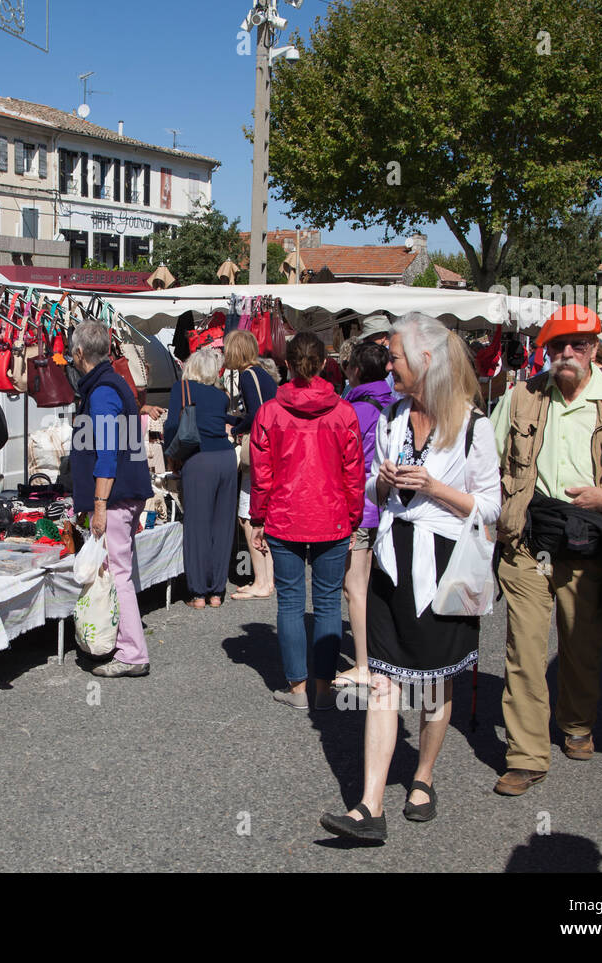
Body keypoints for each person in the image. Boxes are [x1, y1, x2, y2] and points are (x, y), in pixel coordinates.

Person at [319, 314, 499, 842]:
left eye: (394, 355)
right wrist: (383, 485)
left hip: (446, 566)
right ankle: (369, 806)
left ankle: (422, 777)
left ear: (425, 361)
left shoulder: (473, 425)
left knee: (436, 681)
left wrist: (436, 488)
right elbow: (377, 493)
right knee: (383, 681)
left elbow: (490, 507)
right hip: (394, 560)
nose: (388, 363)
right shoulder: (393, 415)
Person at [490, 305, 602, 797]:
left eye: (578, 345)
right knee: (524, 649)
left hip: (590, 541)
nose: (567, 354)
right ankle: (525, 756)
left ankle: (577, 722)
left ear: (594, 350)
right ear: (544, 351)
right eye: (558, 346)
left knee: (581, 644)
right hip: (529, 539)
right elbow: (487, 458)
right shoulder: (520, 398)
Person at [249, 333, 363, 712]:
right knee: (329, 602)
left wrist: (258, 516)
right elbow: (354, 472)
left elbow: (261, 474)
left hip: (286, 515)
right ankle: (323, 688)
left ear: (287, 363)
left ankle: (298, 689)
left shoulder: (270, 412)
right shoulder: (343, 412)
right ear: (324, 362)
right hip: (330, 515)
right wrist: (354, 516)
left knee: (292, 601)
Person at [70, 320, 155, 678]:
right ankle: (124, 643)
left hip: (115, 497)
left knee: (118, 574)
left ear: (79, 354)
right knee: (121, 572)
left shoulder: (103, 390)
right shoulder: (114, 381)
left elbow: (106, 450)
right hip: (124, 494)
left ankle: (133, 654)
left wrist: (100, 505)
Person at [334, 340, 395, 689]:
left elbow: (343, 460)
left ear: (355, 370)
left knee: (354, 587)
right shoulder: (394, 404)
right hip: (387, 505)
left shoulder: (355, 410)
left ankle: (363, 664)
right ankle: (376, 657)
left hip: (360, 506)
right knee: (372, 585)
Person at [164, 346, 238, 608]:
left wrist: (171, 454)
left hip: (199, 458)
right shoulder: (221, 396)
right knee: (222, 526)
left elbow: (173, 425)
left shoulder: (181, 389)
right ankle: (216, 592)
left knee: (197, 526)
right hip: (227, 459)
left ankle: (198, 593)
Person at [223, 329, 278, 601]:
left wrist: (235, 429)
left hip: (259, 453)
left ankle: (260, 581)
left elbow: (257, 413)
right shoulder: (262, 373)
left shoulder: (247, 375)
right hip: (274, 451)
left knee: (248, 516)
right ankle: (267, 580)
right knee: (263, 518)